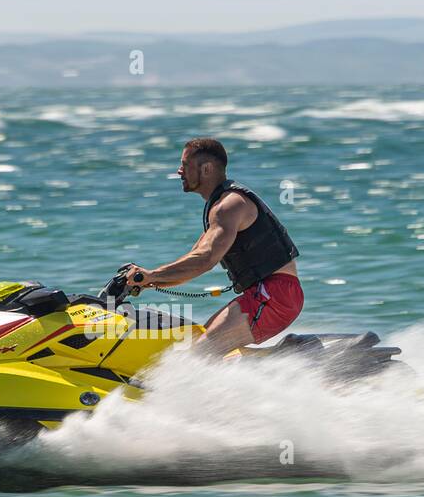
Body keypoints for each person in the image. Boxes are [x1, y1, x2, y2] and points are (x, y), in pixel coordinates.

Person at [124, 138, 302, 354]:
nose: (179, 171)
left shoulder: (228, 206)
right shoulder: (219, 208)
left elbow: (206, 259)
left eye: (185, 165)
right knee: (199, 342)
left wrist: (151, 275)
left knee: (199, 355)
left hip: (273, 295)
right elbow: (194, 259)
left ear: (206, 169)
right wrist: (148, 281)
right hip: (266, 294)